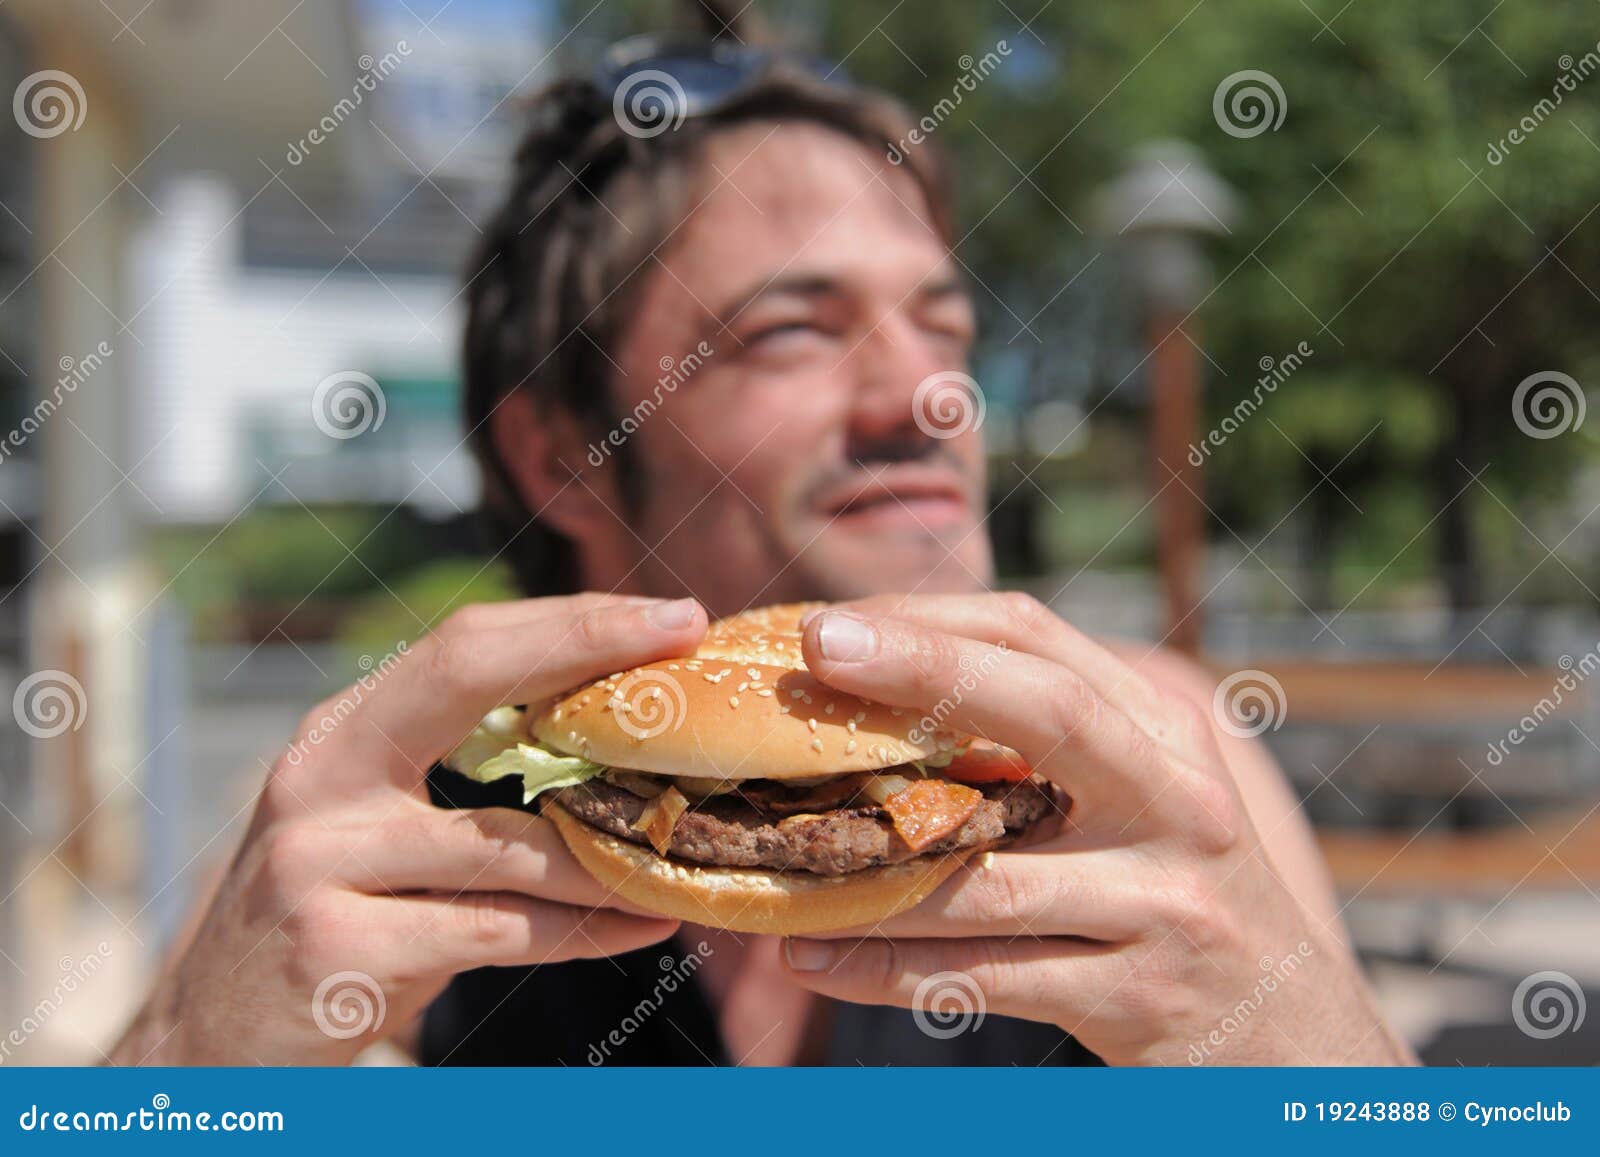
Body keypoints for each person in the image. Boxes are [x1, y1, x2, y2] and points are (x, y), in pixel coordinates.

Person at [109, 25, 1414, 1068]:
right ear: (558, 454)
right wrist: (186, 1055)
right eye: (793, 330)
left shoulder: (1146, 759)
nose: (929, 399)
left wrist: (1296, 1053)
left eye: (945, 330)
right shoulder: (401, 816)